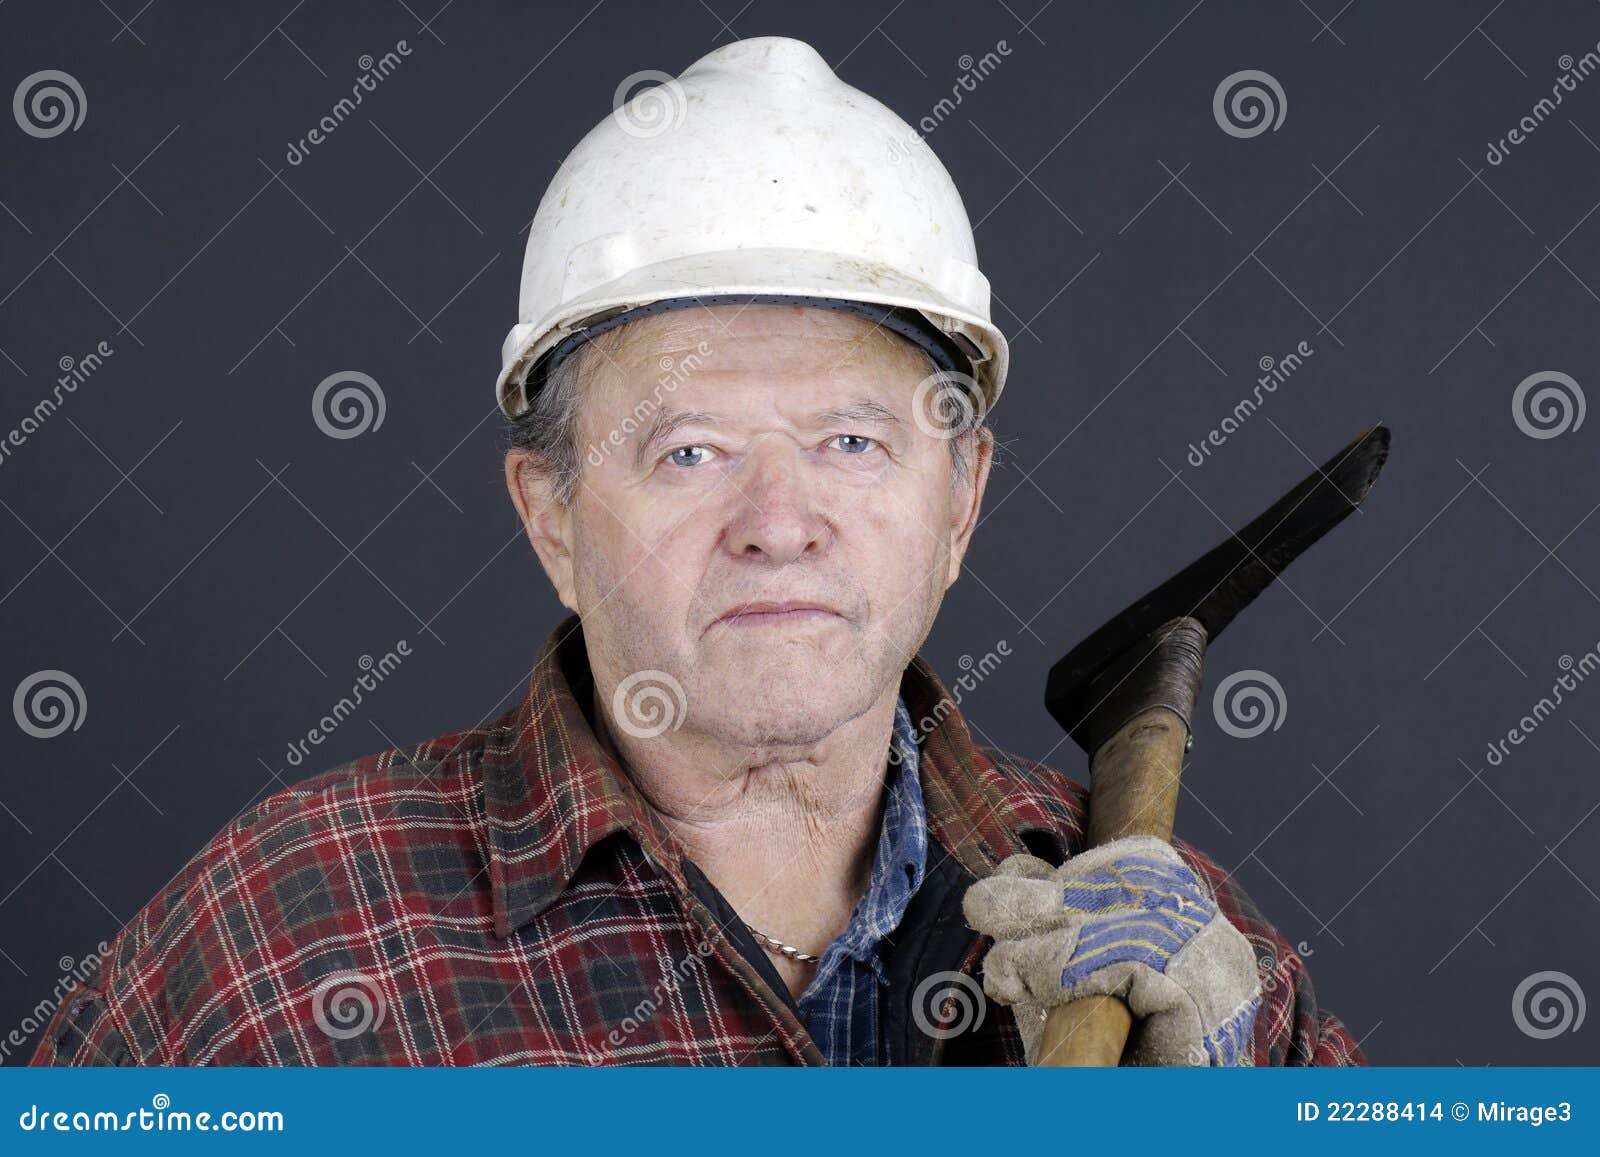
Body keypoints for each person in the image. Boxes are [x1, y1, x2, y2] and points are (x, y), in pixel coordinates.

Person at [32, 36, 1365, 1067]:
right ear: (551, 516)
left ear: (958, 501)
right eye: (689, 451)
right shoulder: (287, 931)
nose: (778, 520)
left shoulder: (1171, 946)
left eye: (852, 442)